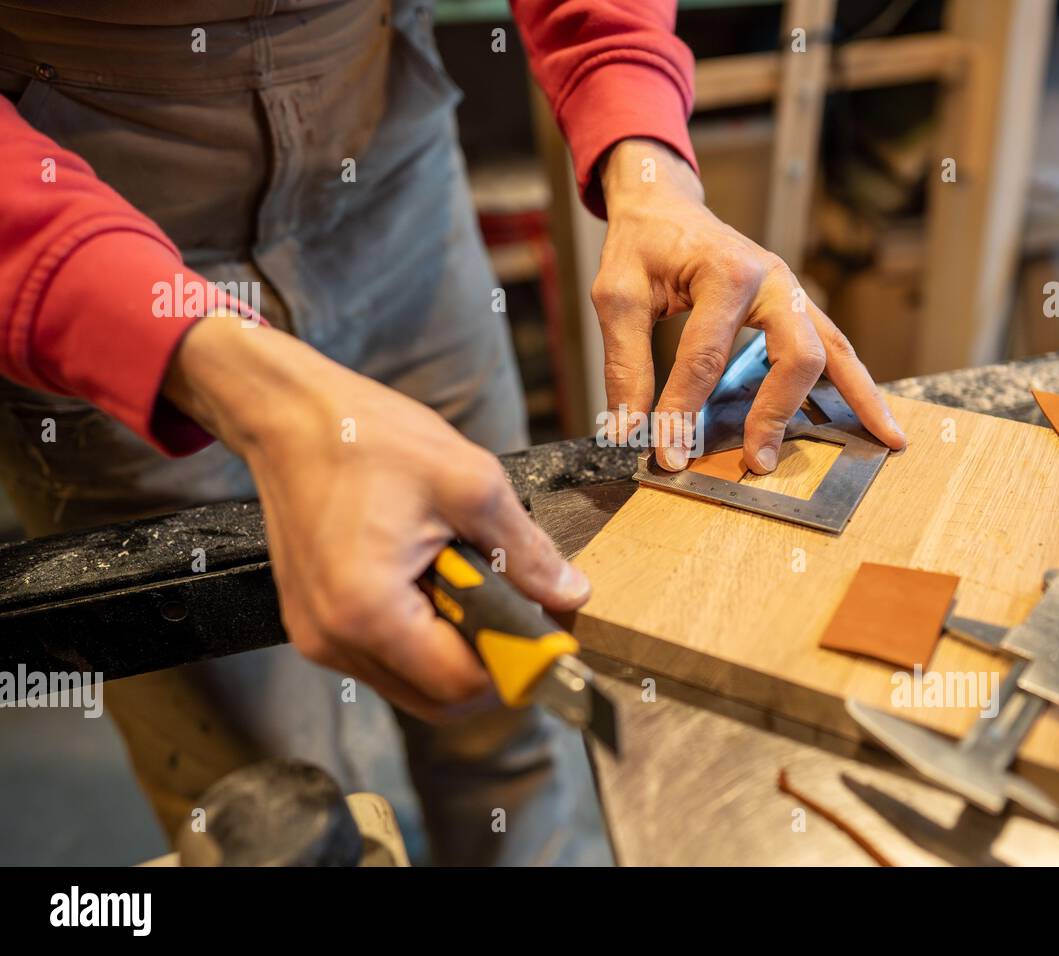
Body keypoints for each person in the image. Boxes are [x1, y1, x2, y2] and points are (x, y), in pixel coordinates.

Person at [0, 0, 905, 864]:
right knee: (271, 800)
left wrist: (651, 170)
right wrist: (244, 384)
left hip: (393, 195)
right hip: (80, 246)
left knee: (507, 702)